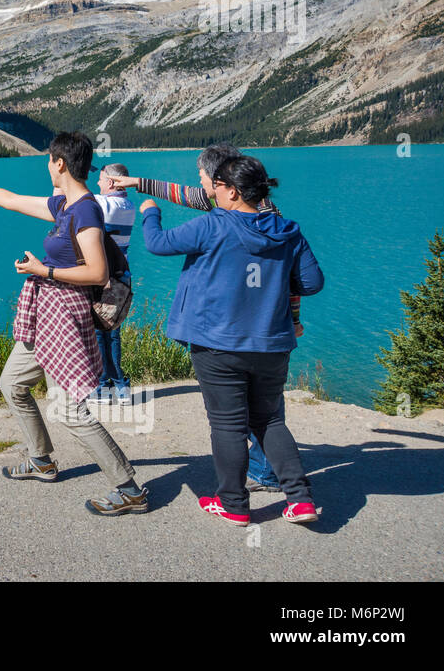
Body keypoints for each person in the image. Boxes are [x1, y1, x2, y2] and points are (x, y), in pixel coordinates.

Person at [0, 132, 149, 517]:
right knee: (12, 383)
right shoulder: (64, 204)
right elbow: (13, 201)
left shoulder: (84, 210)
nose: (47, 165)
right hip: (44, 315)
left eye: (49, 160)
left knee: (69, 411)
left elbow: (98, 272)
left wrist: (43, 269)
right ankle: (41, 461)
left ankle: (128, 488)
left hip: (65, 318)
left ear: (60, 163)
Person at [140, 155, 324, 527]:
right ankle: (301, 500)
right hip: (271, 344)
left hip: (218, 344)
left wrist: (149, 210)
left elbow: (157, 244)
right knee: (269, 420)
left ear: (233, 191)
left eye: (217, 187)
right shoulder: (288, 230)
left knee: (227, 425)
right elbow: (312, 282)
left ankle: (235, 504)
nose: (213, 193)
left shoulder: (212, 226)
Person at [110, 143, 300, 492]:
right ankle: (268, 470)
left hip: (249, 325)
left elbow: (286, 275)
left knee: (253, 409)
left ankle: (262, 474)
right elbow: (182, 194)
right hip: (264, 327)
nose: (197, 186)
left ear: (221, 182)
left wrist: (294, 316)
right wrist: (136, 183)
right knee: (263, 405)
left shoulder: (255, 214)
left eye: (202, 178)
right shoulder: (235, 202)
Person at [89, 162, 135, 405]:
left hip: (103, 277)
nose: (97, 182)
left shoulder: (105, 204)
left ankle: (101, 387)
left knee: (97, 331)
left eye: (101, 178)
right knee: (113, 333)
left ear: (112, 182)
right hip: (122, 275)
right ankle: (121, 388)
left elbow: (73, 199)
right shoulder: (128, 205)